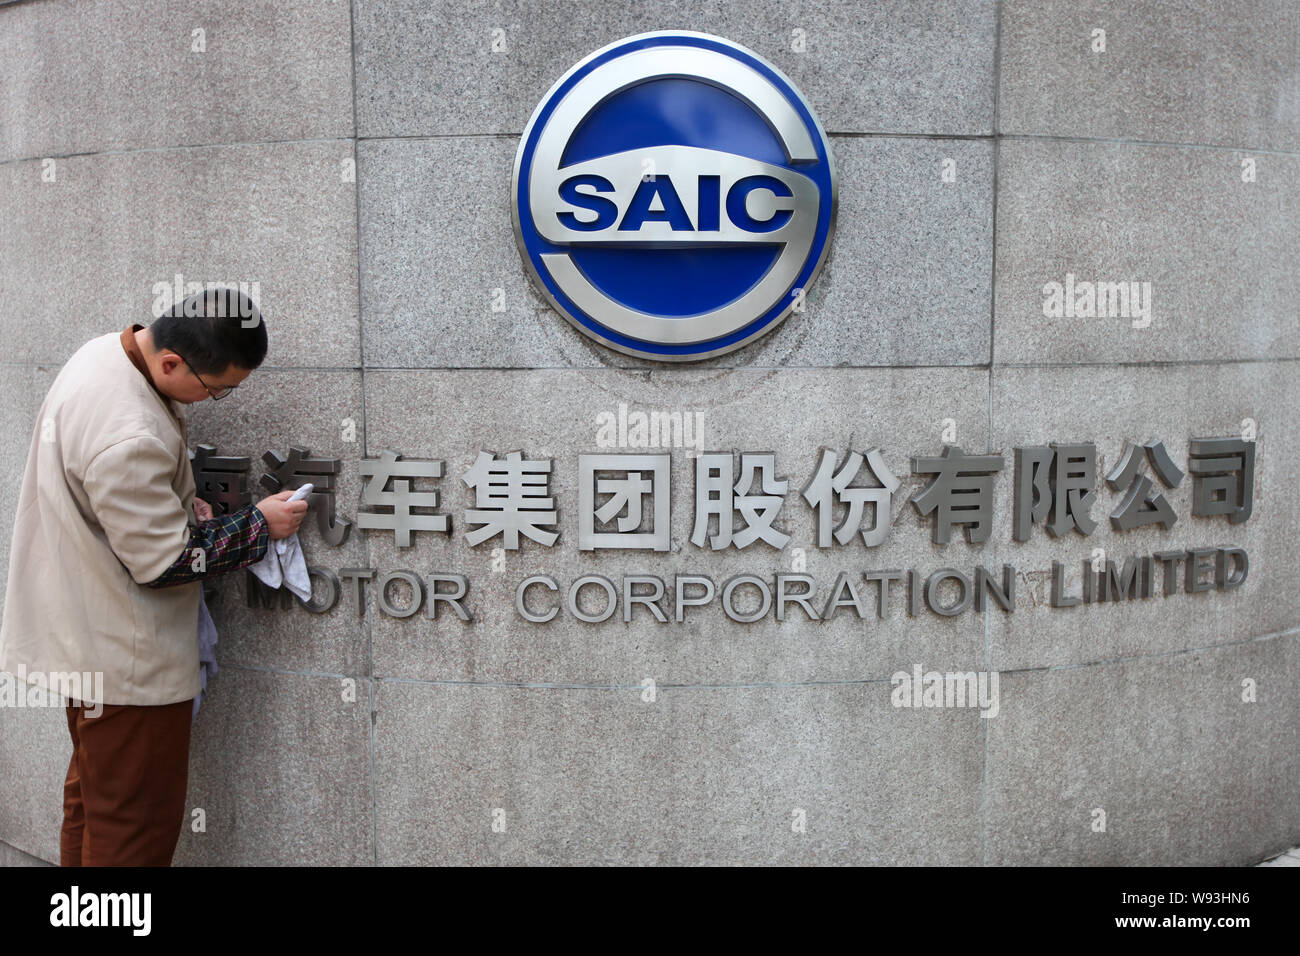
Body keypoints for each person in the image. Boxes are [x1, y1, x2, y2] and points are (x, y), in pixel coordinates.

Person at [0, 286, 307, 866]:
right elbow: (164, 562)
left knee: (95, 808)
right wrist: (259, 526)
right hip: (126, 665)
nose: (215, 399)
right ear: (171, 362)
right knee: (134, 831)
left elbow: (115, 509)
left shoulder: (105, 355)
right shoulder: (131, 432)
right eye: (218, 389)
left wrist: (175, 505)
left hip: (86, 644)